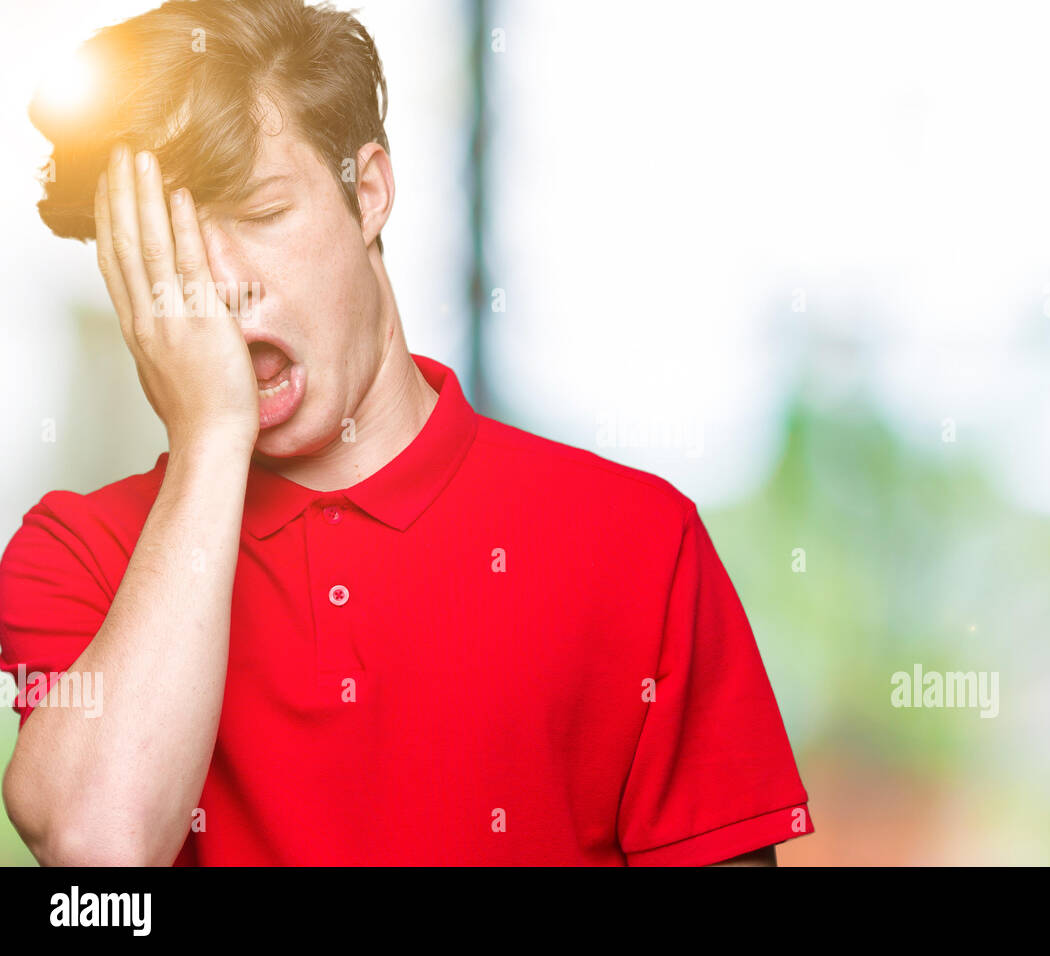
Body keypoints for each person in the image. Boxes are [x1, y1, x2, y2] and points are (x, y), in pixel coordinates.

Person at [0, 0, 813, 865]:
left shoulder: (639, 543)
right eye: (172, 250)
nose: (224, 287)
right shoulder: (76, 556)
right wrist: (210, 441)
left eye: (261, 211)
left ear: (371, 191)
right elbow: (98, 853)